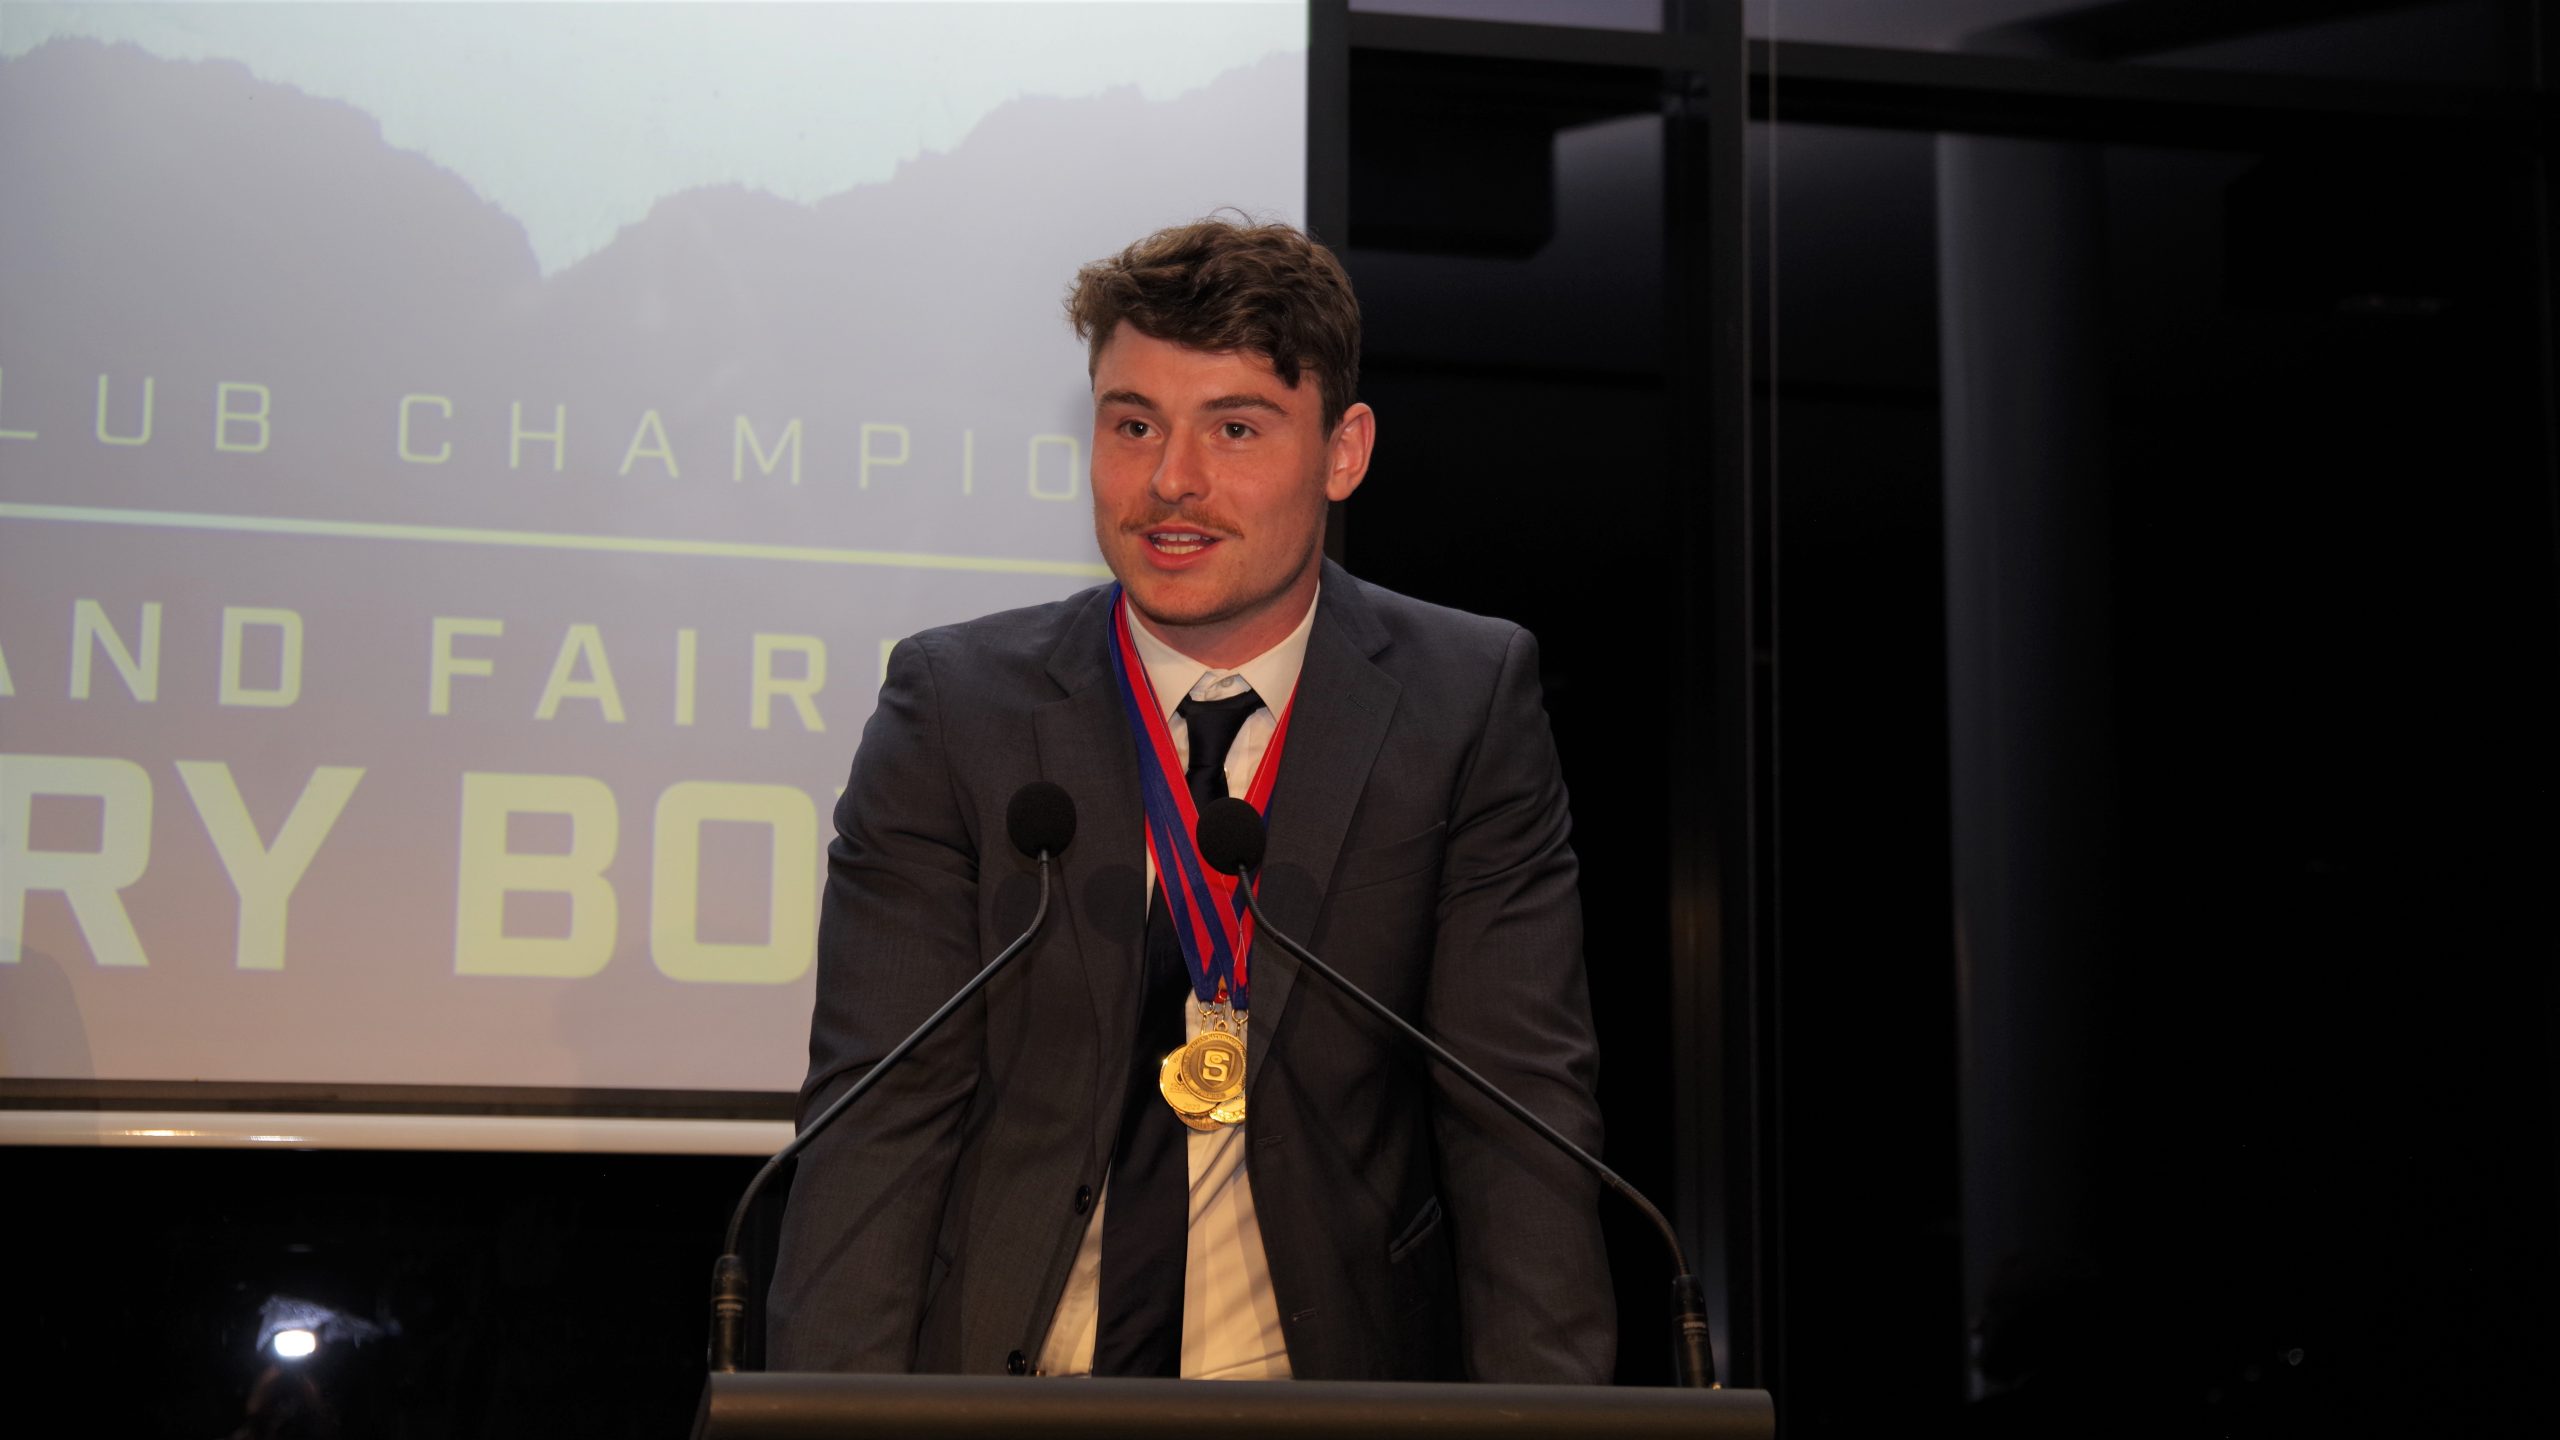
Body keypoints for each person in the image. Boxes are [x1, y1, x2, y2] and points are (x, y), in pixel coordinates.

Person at [767, 218, 1612, 1383]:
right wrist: (832, 1423)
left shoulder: (1460, 706)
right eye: (1132, 426)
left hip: (1325, 1387)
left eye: (1235, 428)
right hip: (1019, 1384)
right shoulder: (955, 708)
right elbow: (878, 1121)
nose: (1171, 481)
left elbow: (1518, 1124)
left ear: (1343, 449)